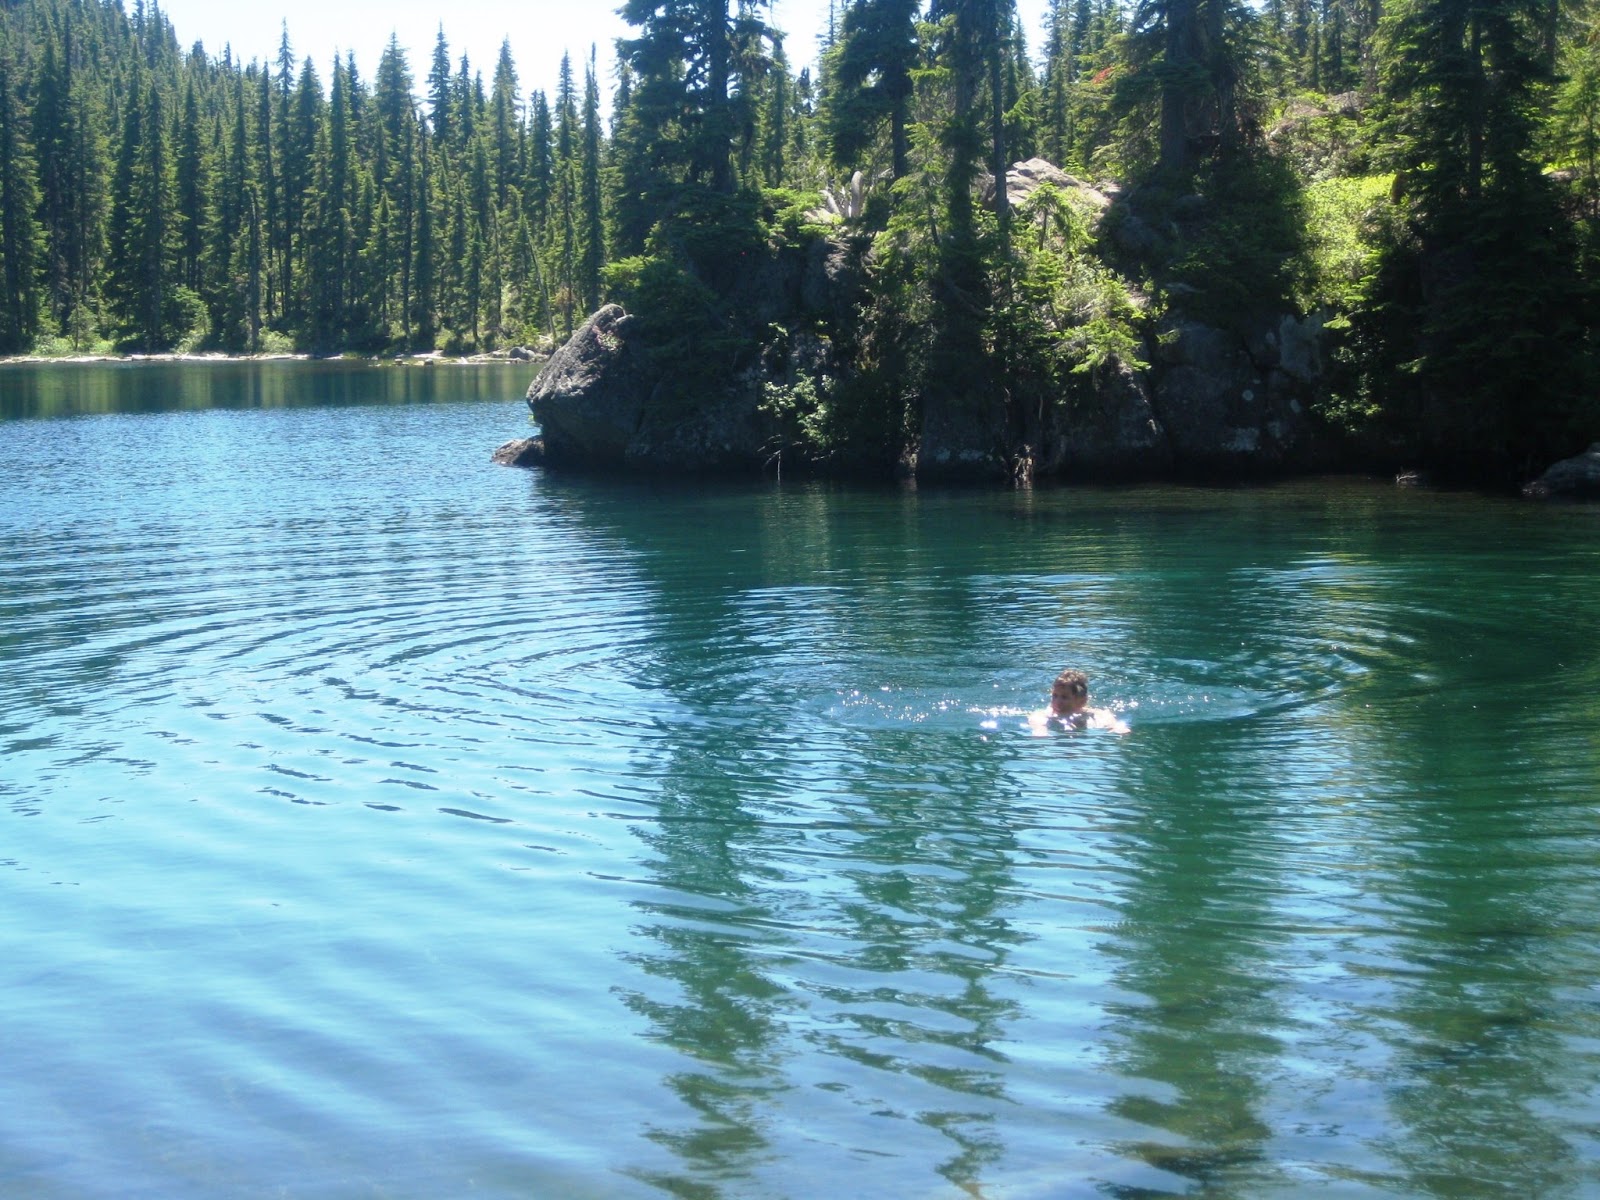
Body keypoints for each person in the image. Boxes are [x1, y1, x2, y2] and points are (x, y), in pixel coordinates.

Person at [1030, 668, 1129, 734]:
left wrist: (1116, 727)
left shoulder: (1092, 714)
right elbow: (1037, 721)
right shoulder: (1046, 715)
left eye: (1064, 697)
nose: (1057, 701)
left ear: (1082, 701)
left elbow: (1108, 719)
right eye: (1055, 696)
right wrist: (1040, 730)